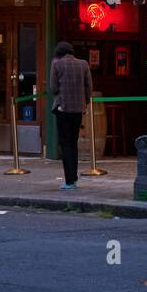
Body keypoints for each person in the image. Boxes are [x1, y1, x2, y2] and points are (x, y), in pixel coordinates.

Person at [49, 41, 93, 189]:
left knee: (65, 144)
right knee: (73, 143)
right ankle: (73, 178)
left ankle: (69, 181)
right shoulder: (84, 64)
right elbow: (89, 87)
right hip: (78, 109)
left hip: (63, 108)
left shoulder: (56, 64)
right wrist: (85, 102)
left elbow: (53, 88)